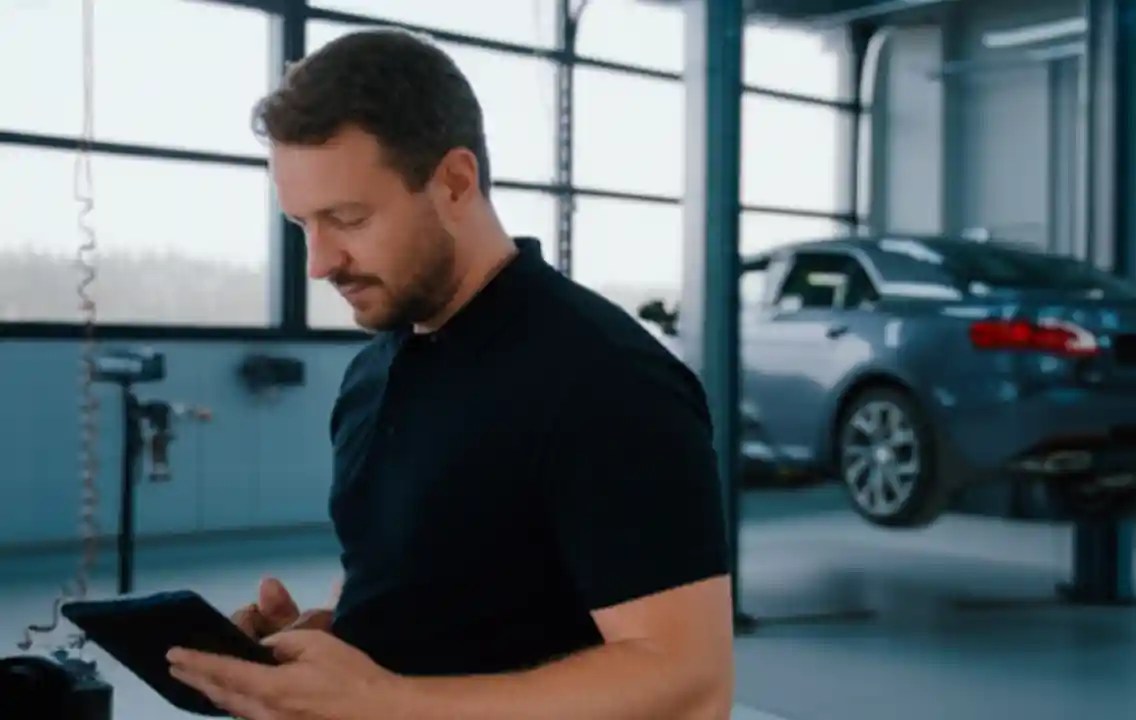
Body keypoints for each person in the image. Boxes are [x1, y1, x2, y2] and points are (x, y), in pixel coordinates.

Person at [165, 27, 735, 720]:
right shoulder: (373, 374)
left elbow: (689, 681)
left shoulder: (606, 379)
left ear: (455, 183)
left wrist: (393, 703)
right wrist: (320, 643)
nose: (319, 262)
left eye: (347, 218)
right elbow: (430, 589)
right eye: (301, 224)